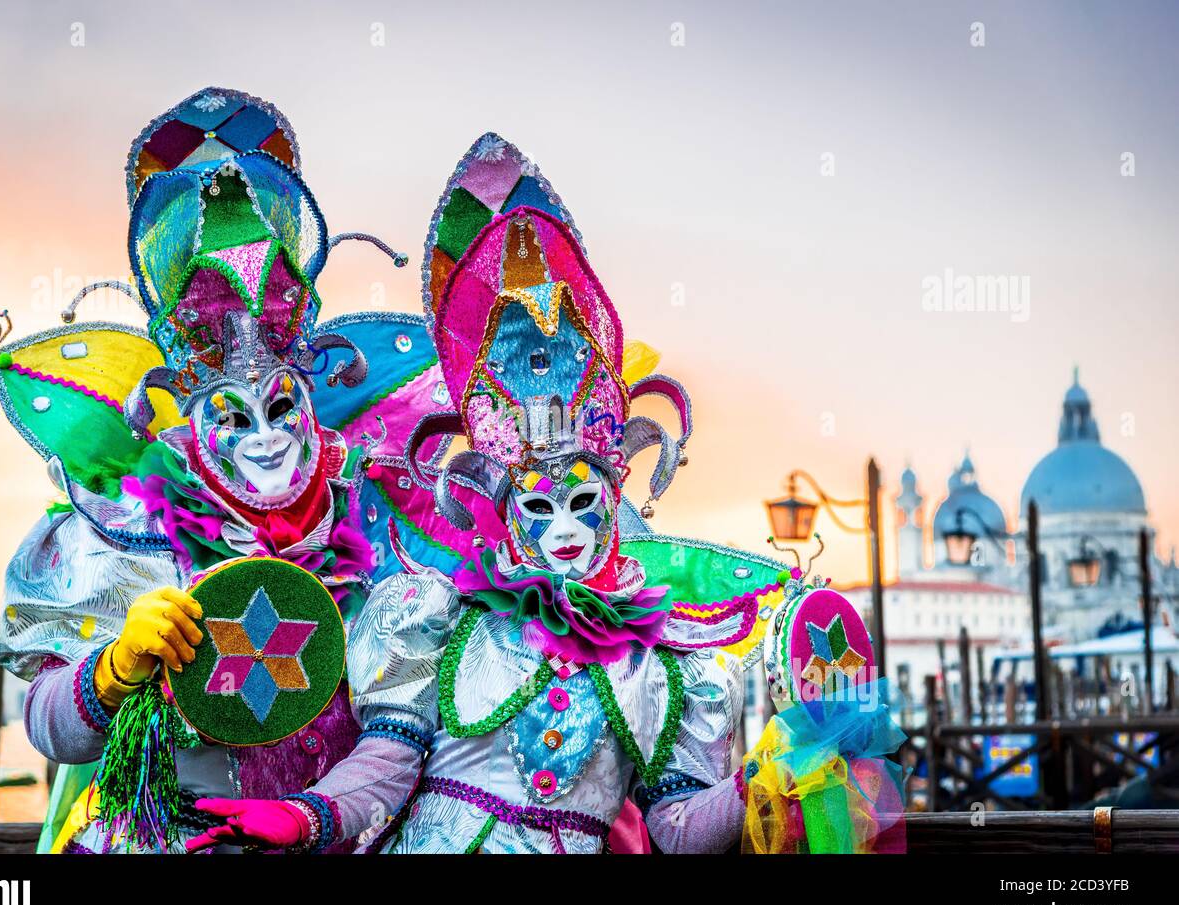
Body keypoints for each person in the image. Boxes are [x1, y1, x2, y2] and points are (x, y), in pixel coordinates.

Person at [186, 134, 899, 854]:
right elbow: (388, 762)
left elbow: (679, 831)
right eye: (537, 503)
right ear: (499, 501)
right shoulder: (439, 617)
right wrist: (309, 813)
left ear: (615, 488)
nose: (562, 525)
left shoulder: (670, 666)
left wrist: (758, 784)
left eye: (582, 501)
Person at [0, 88, 429, 853]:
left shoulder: (373, 511)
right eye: (233, 415)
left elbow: (403, 729)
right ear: (187, 407)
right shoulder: (127, 518)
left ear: (309, 393)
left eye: (281, 406)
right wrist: (112, 668)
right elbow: (49, 724)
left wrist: (309, 816)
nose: (264, 438)